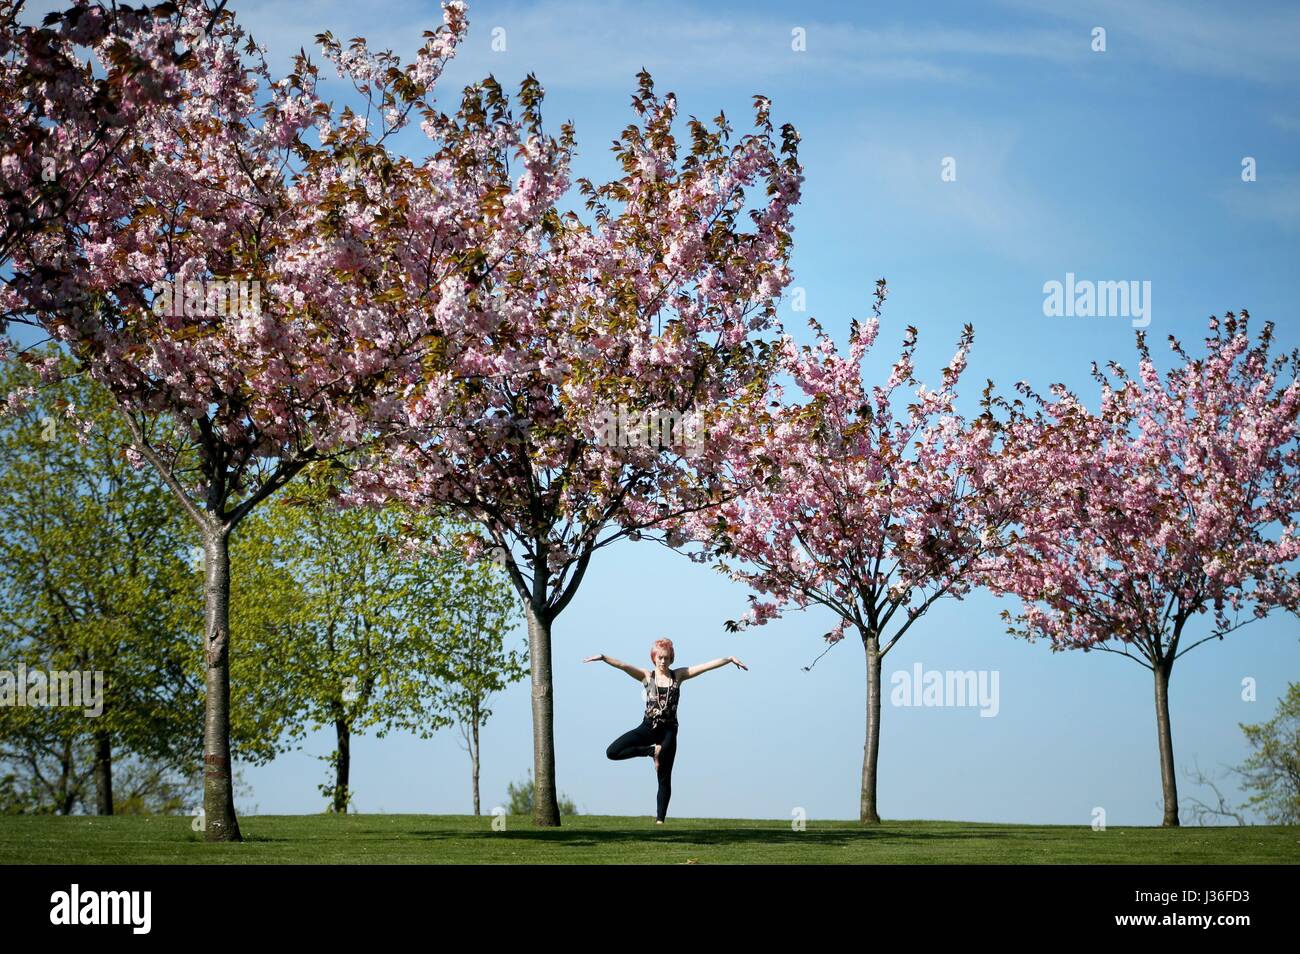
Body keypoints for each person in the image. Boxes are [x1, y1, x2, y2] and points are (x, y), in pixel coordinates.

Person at [585, 637, 747, 824]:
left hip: (669, 731)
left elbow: (704, 666)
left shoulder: (677, 676)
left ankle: (660, 820)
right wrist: (603, 657)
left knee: (664, 777)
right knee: (612, 752)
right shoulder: (647, 676)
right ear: (654, 657)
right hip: (647, 728)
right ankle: (651, 751)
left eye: (667, 658)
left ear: (671, 659)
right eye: (660, 657)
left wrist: (728, 659)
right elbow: (623, 665)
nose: (663, 661)